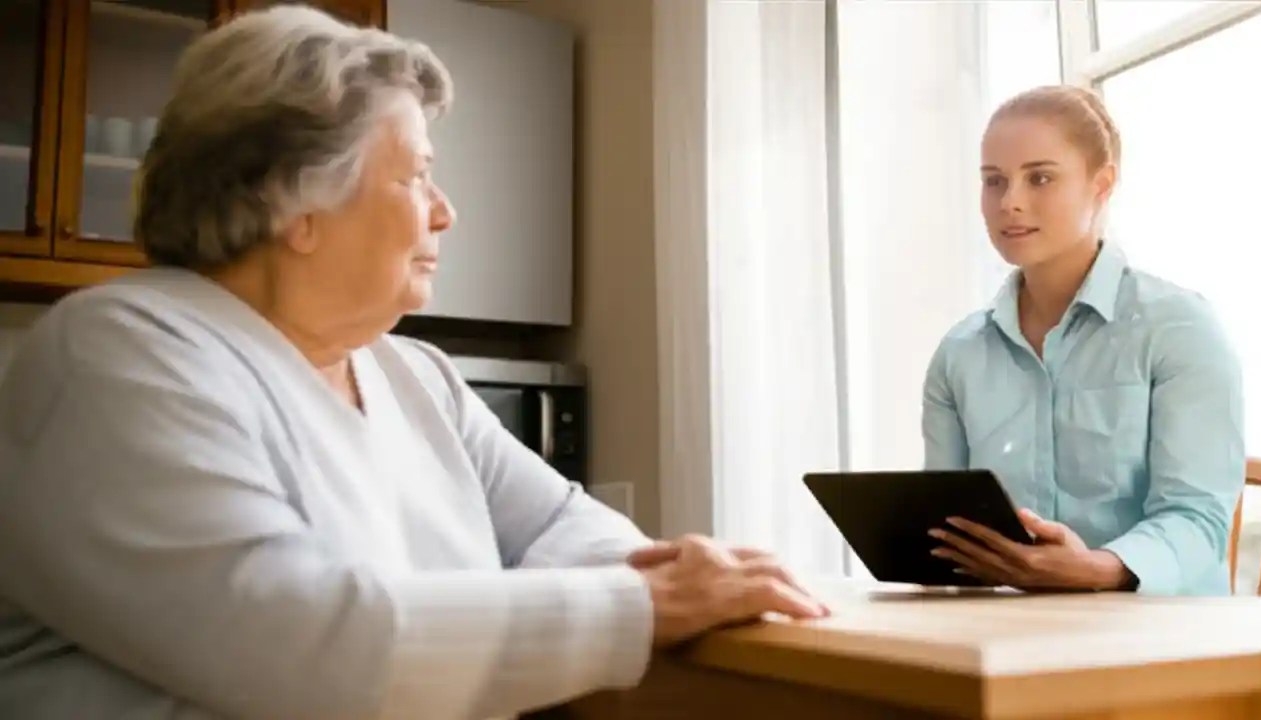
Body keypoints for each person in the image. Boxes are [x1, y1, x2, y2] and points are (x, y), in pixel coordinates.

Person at [0, 7, 826, 719]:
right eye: (417, 175)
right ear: (297, 203)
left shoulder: (412, 374)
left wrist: (669, 581)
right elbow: (296, 642)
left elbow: (559, 524)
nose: (445, 211)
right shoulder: (117, 353)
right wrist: (647, 603)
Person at [922, 85, 1244, 596]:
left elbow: (1198, 519)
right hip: (1012, 635)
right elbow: (945, 530)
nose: (1011, 203)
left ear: (1102, 184)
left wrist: (1098, 568)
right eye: (994, 181)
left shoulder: (1180, 329)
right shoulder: (958, 354)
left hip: (1163, 643)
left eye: (1040, 178)